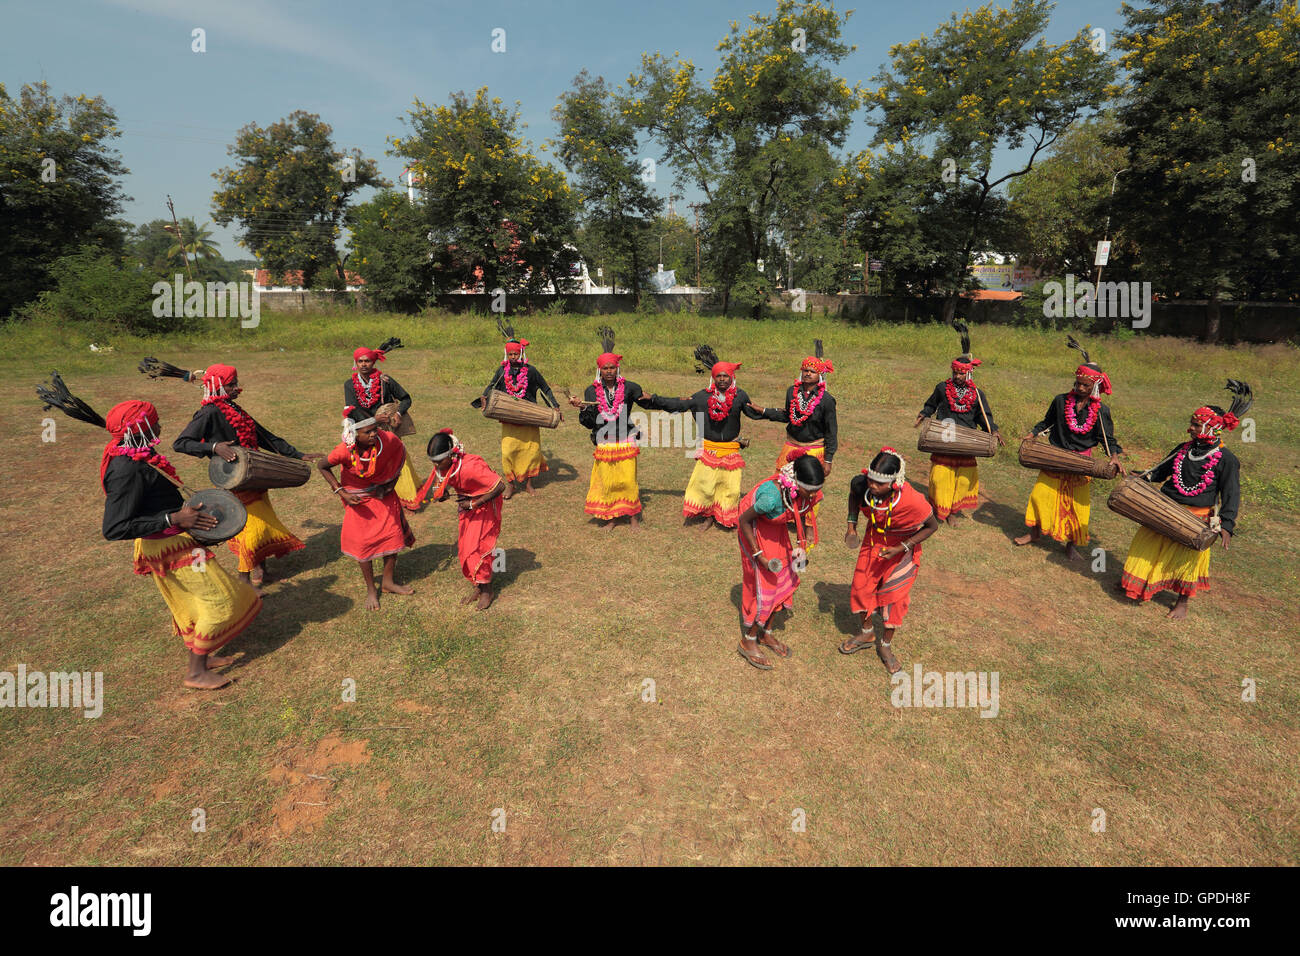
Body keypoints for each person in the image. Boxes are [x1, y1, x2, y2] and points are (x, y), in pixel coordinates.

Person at [92, 397, 262, 689]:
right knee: (220, 600)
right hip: (169, 548)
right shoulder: (126, 469)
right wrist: (174, 519)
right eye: (154, 420)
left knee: (192, 601)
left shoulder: (137, 452)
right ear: (140, 426)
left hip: (174, 541)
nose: (159, 424)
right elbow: (115, 527)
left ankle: (203, 658)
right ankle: (195, 672)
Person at [173, 364, 319, 591]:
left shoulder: (233, 408)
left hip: (253, 474)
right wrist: (214, 447)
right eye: (231, 384)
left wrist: (298, 454)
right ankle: (245, 581)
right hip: (234, 479)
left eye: (235, 383)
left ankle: (262, 570)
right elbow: (181, 443)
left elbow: (265, 437)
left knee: (261, 523)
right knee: (251, 529)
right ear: (218, 386)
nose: (236, 387)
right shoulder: (209, 412)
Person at [1119, 386, 1249, 619]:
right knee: (1147, 547)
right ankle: (1139, 586)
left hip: (1195, 519)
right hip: (1164, 508)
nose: (1190, 428)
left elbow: (1231, 494)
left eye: (1196, 425)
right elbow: (1160, 471)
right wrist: (1143, 476)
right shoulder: (1183, 449)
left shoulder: (1227, 460)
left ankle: (1182, 603)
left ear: (1212, 428)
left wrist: (1227, 526)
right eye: (1192, 423)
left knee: (1187, 561)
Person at [1014, 340, 1126, 560]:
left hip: (1082, 462)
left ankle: (1071, 545)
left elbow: (1108, 439)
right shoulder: (1060, 400)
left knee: (1076, 505)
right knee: (1041, 494)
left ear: (1094, 386)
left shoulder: (1101, 410)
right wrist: (1033, 434)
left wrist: (1114, 456)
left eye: (1085, 385)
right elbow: (1046, 422)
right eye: (1077, 383)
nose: (1079, 388)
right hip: (1055, 455)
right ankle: (1034, 533)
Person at [840, 448, 939, 675]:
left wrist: (901, 548)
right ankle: (867, 632)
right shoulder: (862, 486)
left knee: (894, 598)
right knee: (860, 587)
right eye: (870, 480)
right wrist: (851, 526)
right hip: (873, 540)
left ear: (895, 483)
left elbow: (932, 526)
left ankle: (885, 646)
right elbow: (855, 496)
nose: (872, 487)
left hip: (903, 549)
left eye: (878, 484)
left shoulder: (913, 501)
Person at [644, 355, 766, 530]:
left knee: (729, 487)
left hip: (731, 449)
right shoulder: (701, 397)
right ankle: (708, 516)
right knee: (706, 485)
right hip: (710, 450)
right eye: (719, 376)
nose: (722, 379)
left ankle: (723, 516)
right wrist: (653, 399)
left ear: (732, 377)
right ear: (713, 378)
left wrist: (778, 414)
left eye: (726, 376)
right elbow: (678, 404)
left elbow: (754, 412)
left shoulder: (740, 396)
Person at [317, 407, 416, 611]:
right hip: (358, 500)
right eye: (368, 432)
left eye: (375, 429)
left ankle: (387, 582)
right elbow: (322, 466)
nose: (374, 434)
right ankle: (371, 589)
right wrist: (341, 491)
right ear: (354, 434)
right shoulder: (343, 450)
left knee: (393, 535)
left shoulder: (387, 440)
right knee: (364, 543)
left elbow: (400, 453)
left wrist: (390, 484)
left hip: (384, 495)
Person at [735, 453, 824, 669]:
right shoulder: (771, 497)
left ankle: (767, 633)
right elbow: (744, 520)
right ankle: (748, 640)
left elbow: (800, 509)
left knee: (786, 579)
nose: (813, 496)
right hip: (754, 532)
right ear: (795, 482)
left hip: (776, 530)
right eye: (809, 491)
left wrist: (800, 546)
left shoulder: (805, 490)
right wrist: (759, 556)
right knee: (766, 587)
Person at [913, 322, 1004, 525]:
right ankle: (939, 510)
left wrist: (994, 430)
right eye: (955, 372)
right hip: (944, 437)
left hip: (967, 440)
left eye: (961, 373)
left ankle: (953, 511)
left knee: (962, 480)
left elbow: (984, 416)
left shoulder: (978, 394)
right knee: (939, 478)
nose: (957, 376)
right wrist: (923, 413)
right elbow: (931, 405)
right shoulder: (941, 387)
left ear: (969, 373)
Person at [420, 430, 506, 610]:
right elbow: (441, 479)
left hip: (485, 506)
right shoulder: (444, 465)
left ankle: (487, 591)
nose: (436, 466)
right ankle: (479, 585)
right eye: (433, 462)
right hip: (467, 506)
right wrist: (442, 492)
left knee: (479, 548)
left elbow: (500, 485)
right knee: (466, 547)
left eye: (438, 462)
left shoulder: (471, 467)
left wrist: (475, 503)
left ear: (452, 455)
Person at [572, 341, 652, 529]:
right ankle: (613, 517)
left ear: (618, 368)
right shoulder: (591, 391)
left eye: (612, 368)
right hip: (604, 441)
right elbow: (590, 422)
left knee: (627, 479)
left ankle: (633, 516)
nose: (609, 371)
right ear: (599, 370)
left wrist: (663, 400)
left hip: (625, 439)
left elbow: (649, 402)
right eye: (605, 368)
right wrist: (583, 407)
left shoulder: (630, 387)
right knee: (608, 480)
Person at [344, 341, 425, 512]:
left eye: (367, 361)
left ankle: (409, 494)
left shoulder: (385, 381)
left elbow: (406, 399)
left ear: (373, 362)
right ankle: (380, 493)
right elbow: (351, 409)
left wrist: (398, 413)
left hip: (390, 429)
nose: (364, 364)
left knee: (397, 457)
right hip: (367, 430)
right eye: (360, 361)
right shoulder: (349, 385)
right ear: (355, 363)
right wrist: (373, 419)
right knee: (374, 460)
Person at [479, 335, 562, 498]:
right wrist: (484, 396)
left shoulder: (531, 371)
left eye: (516, 354)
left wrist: (555, 406)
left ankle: (529, 484)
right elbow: (491, 385)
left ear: (521, 354)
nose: (513, 357)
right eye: (510, 354)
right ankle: (511, 485)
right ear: (506, 355)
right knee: (508, 452)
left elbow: (545, 388)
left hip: (530, 418)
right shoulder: (502, 371)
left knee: (531, 451)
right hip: (509, 418)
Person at [754, 351, 838, 478]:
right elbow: (787, 416)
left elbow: (831, 431)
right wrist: (764, 411)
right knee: (784, 482)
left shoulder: (827, 400)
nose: (808, 374)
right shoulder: (791, 392)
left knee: (807, 485)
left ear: (819, 376)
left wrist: (828, 460)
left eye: (812, 371)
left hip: (814, 449)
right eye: (805, 370)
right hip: (791, 446)